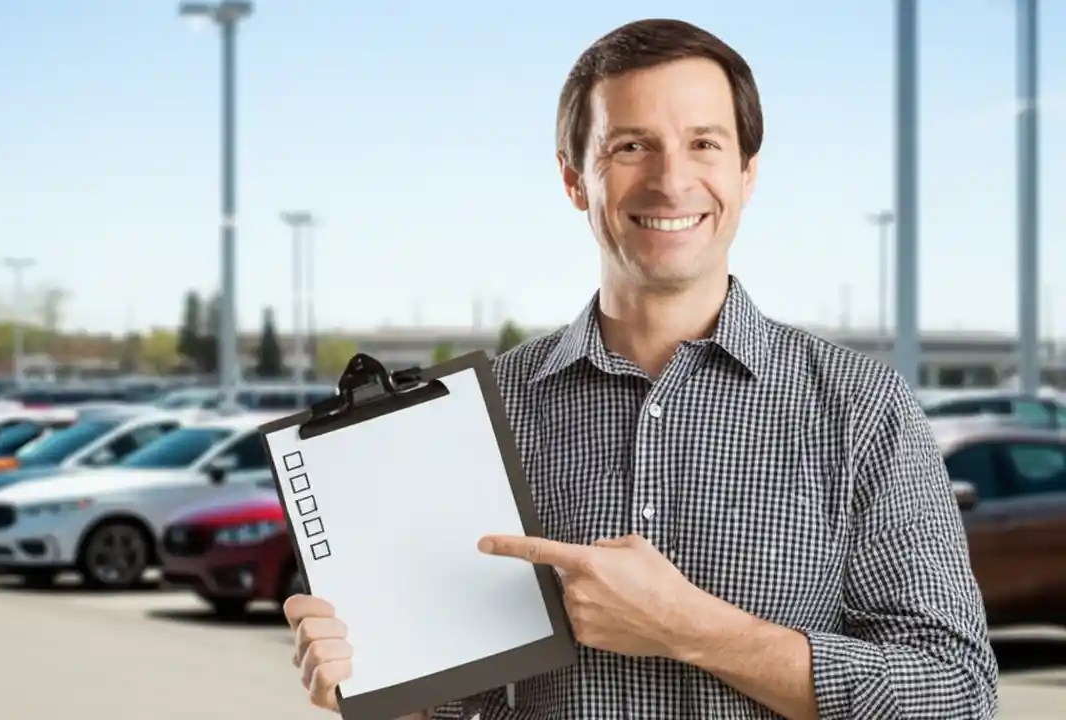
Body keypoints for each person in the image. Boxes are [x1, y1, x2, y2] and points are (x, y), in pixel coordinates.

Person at [283, 17, 999, 719]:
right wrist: (385, 690)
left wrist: (694, 630)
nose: (670, 180)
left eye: (703, 144)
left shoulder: (860, 406)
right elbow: (457, 706)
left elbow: (956, 692)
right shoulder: (477, 415)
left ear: (746, 174)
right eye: (631, 146)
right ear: (574, 179)